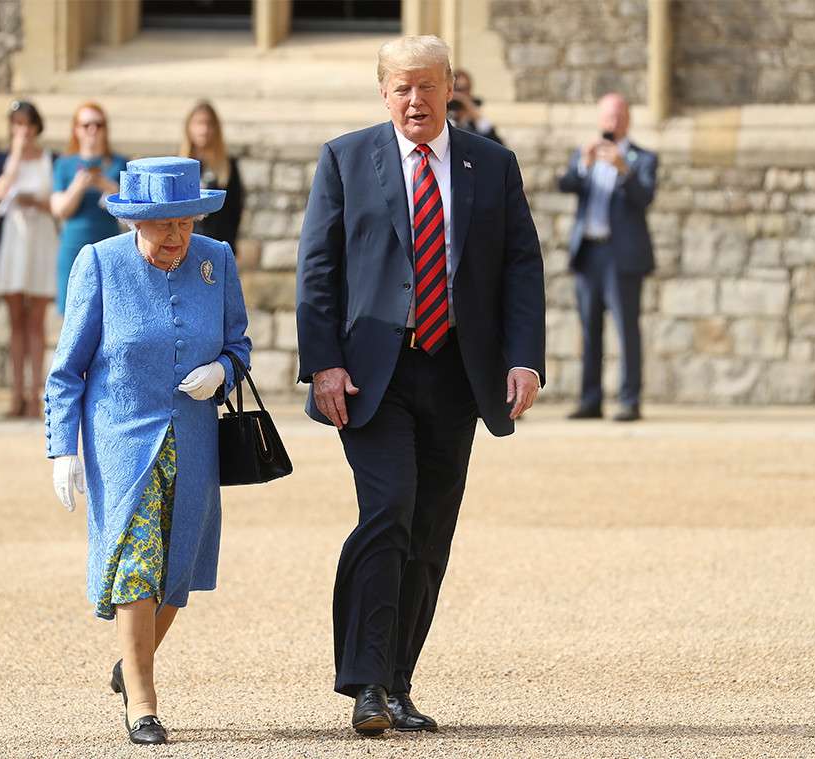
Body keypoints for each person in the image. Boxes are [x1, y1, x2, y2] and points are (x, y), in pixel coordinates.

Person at [296, 35, 545, 736]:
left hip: (458, 374)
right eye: (402, 87)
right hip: (373, 373)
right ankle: (366, 681)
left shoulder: (491, 164)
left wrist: (523, 357)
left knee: (430, 527)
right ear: (383, 91)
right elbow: (316, 267)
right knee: (389, 510)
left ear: (449, 88)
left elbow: (522, 264)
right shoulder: (346, 159)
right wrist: (323, 362)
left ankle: (398, 682)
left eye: (428, 86)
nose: (415, 100)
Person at [44, 157, 251, 746]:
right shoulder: (100, 264)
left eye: (186, 222)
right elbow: (67, 373)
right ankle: (143, 702)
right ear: (135, 221)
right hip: (120, 439)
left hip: (194, 439)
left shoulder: (218, 261)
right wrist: (64, 449)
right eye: (163, 225)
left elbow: (240, 344)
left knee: (177, 566)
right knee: (136, 560)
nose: (176, 236)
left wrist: (222, 370)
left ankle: (131, 659)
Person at [557, 92, 658, 422]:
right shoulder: (583, 154)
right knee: (589, 330)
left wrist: (623, 169)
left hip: (621, 255)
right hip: (589, 252)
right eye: (606, 117)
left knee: (626, 329)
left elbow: (645, 198)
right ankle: (591, 400)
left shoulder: (643, 158)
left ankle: (630, 400)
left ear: (627, 119)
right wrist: (584, 165)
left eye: (616, 117)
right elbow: (565, 185)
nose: (611, 123)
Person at [0, 100, 58, 418]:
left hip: (41, 237)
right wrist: (16, 155)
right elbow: (1, 190)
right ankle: (16, 393)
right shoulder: (4, 158)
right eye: (17, 125)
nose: (23, 131)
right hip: (14, 242)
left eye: (27, 125)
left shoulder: (50, 159)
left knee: (36, 322)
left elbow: (55, 201)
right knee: (16, 320)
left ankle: (36, 395)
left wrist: (36, 201)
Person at [50, 102, 127, 314]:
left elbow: (130, 211)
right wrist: (78, 185)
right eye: (86, 125)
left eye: (98, 124)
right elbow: (60, 210)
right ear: (76, 129)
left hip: (109, 248)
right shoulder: (64, 164)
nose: (92, 130)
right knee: (72, 315)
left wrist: (107, 185)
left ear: (105, 129)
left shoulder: (119, 163)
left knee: (110, 314)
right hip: (73, 247)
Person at [180, 101, 245, 253]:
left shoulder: (228, 165)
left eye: (209, 124)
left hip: (218, 243)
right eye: (198, 123)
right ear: (189, 127)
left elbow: (235, 208)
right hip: (185, 246)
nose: (204, 130)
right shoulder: (179, 164)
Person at [448, 68, 503, 145]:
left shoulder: (477, 107)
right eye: (456, 89)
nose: (459, 94)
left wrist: (469, 107)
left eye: (464, 89)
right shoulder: (446, 108)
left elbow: (495, 141)